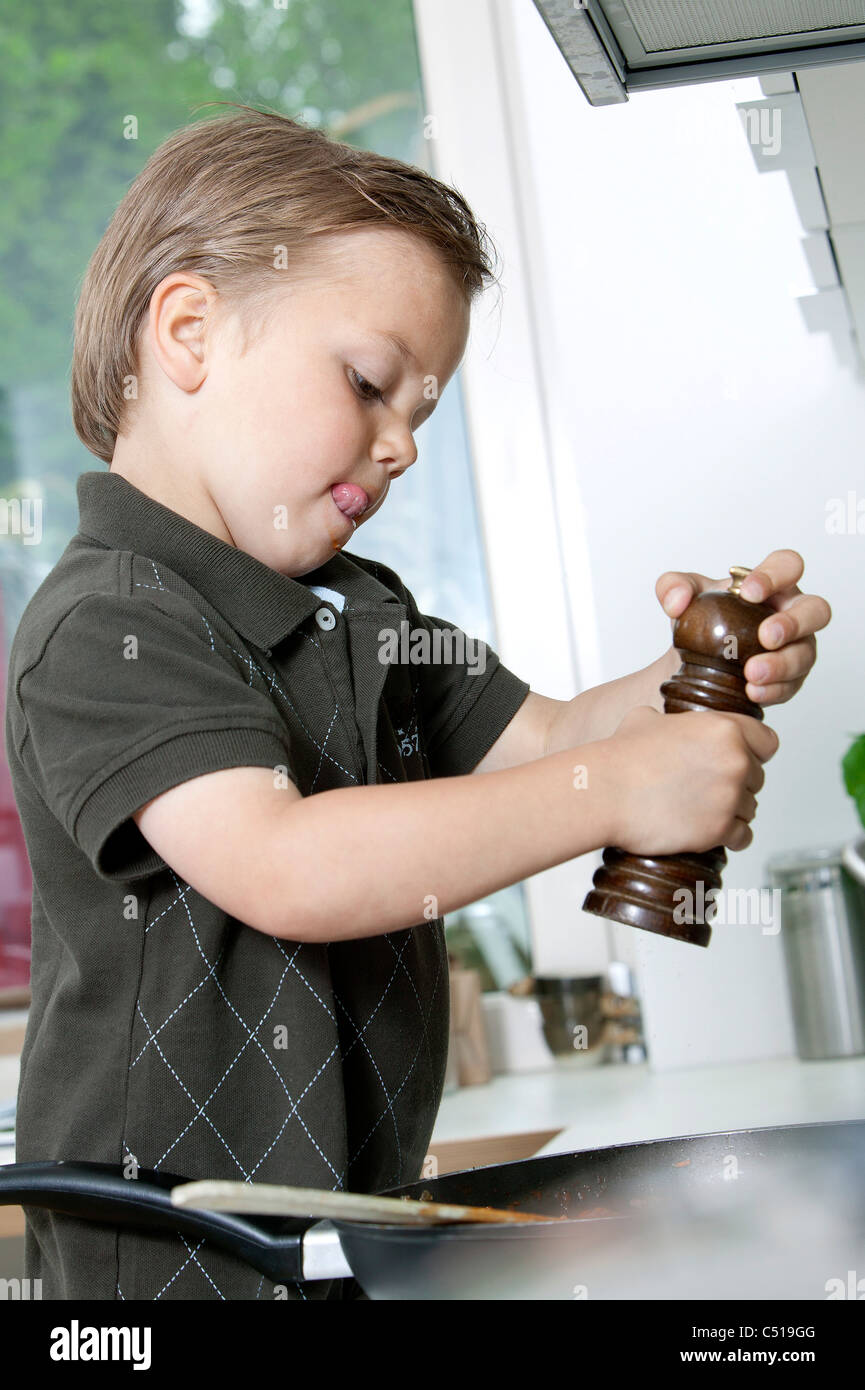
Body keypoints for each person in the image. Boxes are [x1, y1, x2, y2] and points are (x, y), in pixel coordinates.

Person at [4, 104, 831, 1300]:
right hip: (178, 1263)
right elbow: (287, 865)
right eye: (367, 383)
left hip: (343, 1230)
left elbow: (548, 740)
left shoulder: (358, 608)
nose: (399, 448)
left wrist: (695, 677)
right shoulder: (110, 624)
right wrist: (618, 788)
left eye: (421, 417)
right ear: (188, 332)